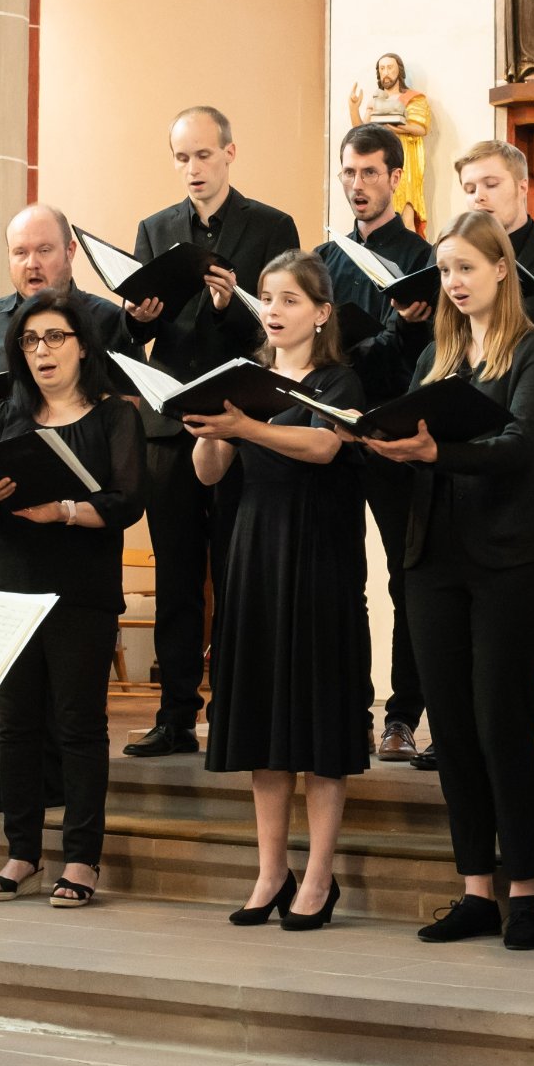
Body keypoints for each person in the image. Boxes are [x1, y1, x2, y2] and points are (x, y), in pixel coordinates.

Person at [364, 211, 534, 951]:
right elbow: (413, 436)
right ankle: (476, 885)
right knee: (450, 728)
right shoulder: (438, 358)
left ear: (501, 270)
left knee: (499, 724)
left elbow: (523, 444)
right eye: (446, 270)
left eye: (467, 268)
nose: (453, 282)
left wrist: (434, 450)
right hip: (434, 562)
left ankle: (527, 890)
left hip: (510, 560)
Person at [188, 252, 370, 931]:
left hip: (318, 557)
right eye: (267, 297)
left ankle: (318, 875)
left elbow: (323, 449)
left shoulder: (339, 378)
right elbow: (209, 474)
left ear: (321, 312)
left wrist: (245, 426)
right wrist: (210, 430)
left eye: (290, 298)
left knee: (320, 722)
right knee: (265, 724)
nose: (274, 309)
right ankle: (271, 869)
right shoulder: (247, 379)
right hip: (256, 552)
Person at [0, 203, 126, 812]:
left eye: (43, 250)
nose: (32, 263)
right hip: (0, 528)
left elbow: (118, 427)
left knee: (67, 694)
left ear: (69, 251)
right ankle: (7, 814)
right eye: (20, 252)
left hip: (76, 542)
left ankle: (63, 818)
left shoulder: (104, 323)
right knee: (7, 680)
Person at [0, 287, 145, 909]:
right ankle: (21, 852)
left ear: (83, 346)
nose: (42, 351)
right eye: (30, 340)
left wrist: (65, 510)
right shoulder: (6, 414)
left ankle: (82, 858)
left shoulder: (114, 415)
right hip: (9, 586)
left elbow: (126, 502)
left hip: (80, 591)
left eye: (55, 338)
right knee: (14, 727)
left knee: (78, 727)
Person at [123, 106, 299, 759]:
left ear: (230, 152)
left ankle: (232, 707)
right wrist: (138, 316)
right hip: (169, 424)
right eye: (181, 158)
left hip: (242, 421)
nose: (192, 169)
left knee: (235, 570)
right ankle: (174, 714)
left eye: (202, 155)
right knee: (176, 574)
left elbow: (287, 327)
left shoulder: (272, 227)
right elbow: (136, 335)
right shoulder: (155, 229)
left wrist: (232, 308)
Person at [316, 123, 435, 765]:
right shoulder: (325, 259)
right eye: (349, 174)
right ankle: (349, 707)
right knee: (339, 579)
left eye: (369, 174)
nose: (357, 185)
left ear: (395, 177)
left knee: (405, 579)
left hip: (392, 434)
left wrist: (407, 332)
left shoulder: (422, 258)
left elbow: (432, 356)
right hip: (333, 433)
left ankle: (402, 717)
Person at [456, 139, 534, 498]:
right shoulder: (450, 261)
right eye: (470, 188)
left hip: (530, 440)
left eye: (491, 184)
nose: (479, 197)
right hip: (460, 441)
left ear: (522, 186)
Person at [345, 54, 432, 234]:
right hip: (378, 166)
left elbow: (421, 128)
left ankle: (409, 257)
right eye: (382, 68)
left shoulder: (413, 99)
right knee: (376, 213)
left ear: (399, 70)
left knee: (406, 215)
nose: (386, 72)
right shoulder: (376, 101)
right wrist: (354, 108)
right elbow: (362, 131)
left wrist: (394, 125)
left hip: (405, 163)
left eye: (390, 67)